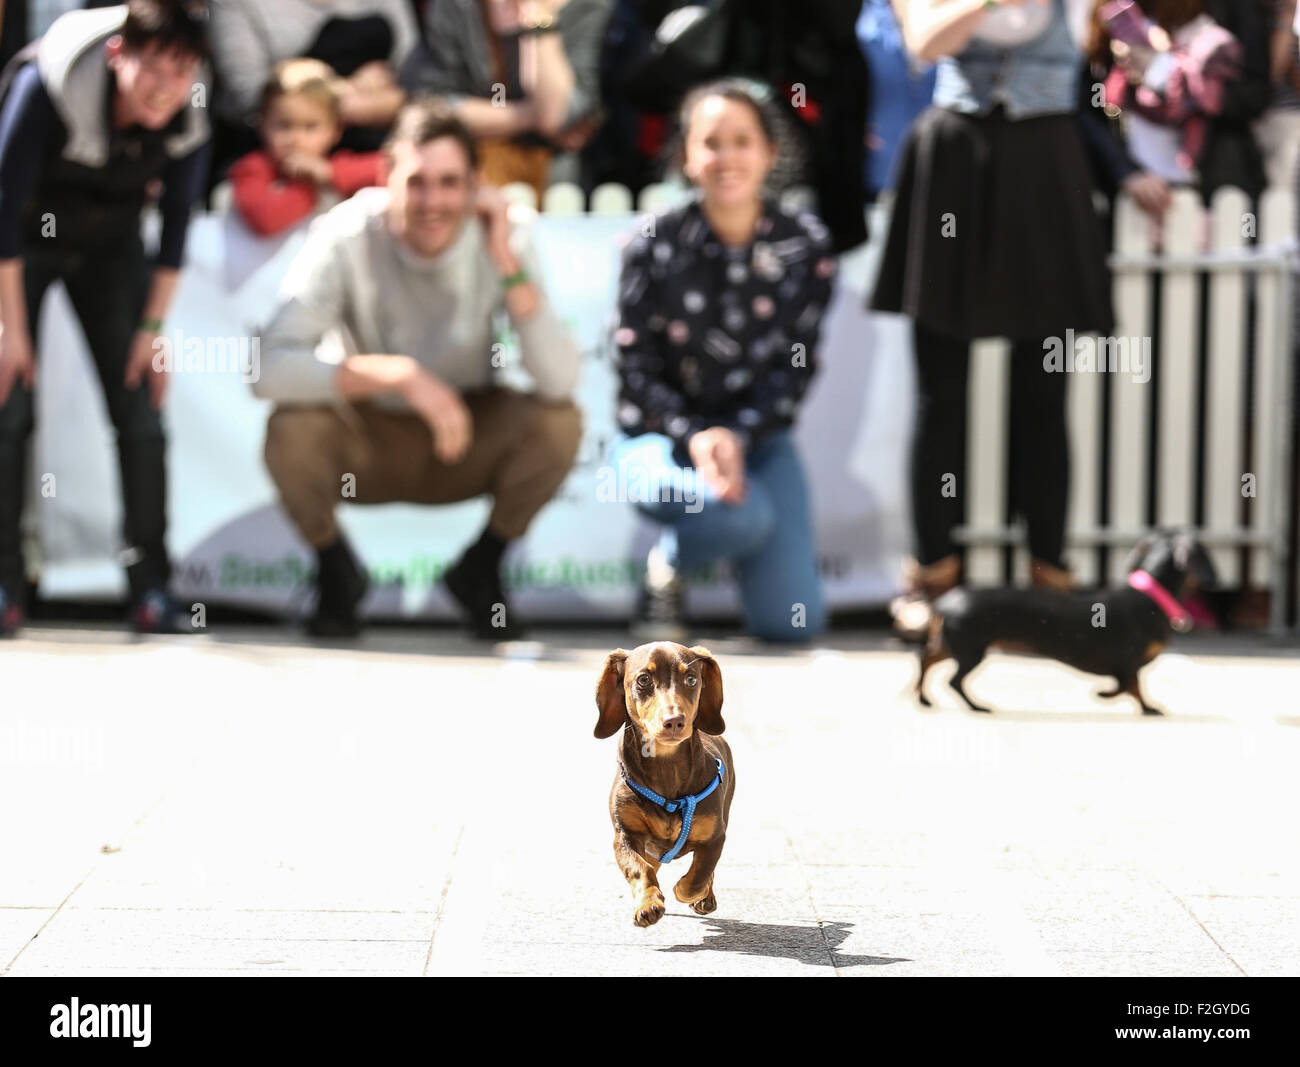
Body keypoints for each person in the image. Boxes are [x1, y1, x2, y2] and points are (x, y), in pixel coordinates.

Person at [252, 101, 582, 639]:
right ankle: (337, 574)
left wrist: (505, 260)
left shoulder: (507, 233)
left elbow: (560, 380)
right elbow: (267, 367)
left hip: (466, 437)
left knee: (559, 423)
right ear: (386, 178)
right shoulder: (347, 232)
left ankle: (481, 571)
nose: (433, 201)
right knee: (291, 430)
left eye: (451, 183)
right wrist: (398, 375)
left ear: (476, 184)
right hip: (368, 438)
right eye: (417, 182)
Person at [873, 0, 1114, 639]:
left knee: (1044, 393)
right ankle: (932, 579)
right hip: (955, 160)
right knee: (941, 395)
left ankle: (1051, 583)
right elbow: (925, 42)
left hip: (1045, 166)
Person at [0, 0, 211, 637]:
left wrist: (151, 332)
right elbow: (3, 208)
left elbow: (177, 227)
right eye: (153, 64)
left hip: (112, 247)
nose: (164, 86)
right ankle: (5, 583)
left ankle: (152, 588)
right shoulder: (51, 80)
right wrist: (11, 332)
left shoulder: (188, 113)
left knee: (140, 405)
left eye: (182, 71)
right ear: (119, 53)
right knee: (9, 401)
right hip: (22, 245)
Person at [611, 79, 835, 643]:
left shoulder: (803, 244)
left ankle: (674, 562)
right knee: (741, 513)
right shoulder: (652, 241)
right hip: (658, 442)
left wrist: (736, 435)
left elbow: (797, 366)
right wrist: (696, 436)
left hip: (759, 444)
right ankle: (667, 574)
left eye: (742, 141)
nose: (727, 157)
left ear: (770, 152)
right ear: (686, 156)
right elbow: (634, 369)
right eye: (711, 142)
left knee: (792, 622)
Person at [402, 0, 611, 201]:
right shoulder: (458, 6)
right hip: (476, 171)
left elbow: (555, 114)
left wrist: (539, 19)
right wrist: (529, 115)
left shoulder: (587, 7)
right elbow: (434, 105)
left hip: (556, 180)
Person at [209, 0, 418, 167]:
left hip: (371, 152)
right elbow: (247, 94)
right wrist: (349, 92)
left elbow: (416, 83)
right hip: (269, 158)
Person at [229, 58, 386, 237]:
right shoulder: (252, 169)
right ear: (262, 125)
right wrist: (308, 183)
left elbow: (389, 169)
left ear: (336, 130)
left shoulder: (335, 166)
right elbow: (266, 219)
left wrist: (329, 173)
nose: (296, 139)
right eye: (284, 125)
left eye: (310, 126)